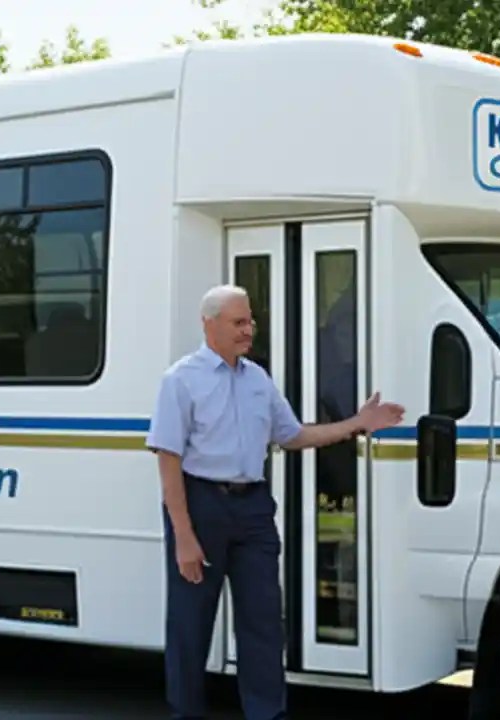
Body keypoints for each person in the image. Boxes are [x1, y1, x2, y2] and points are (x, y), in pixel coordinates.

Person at [146, 284, 404, 720]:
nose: (249, 330)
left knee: (264, 621)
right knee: (191, 624)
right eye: (238, 322)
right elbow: (168, 460)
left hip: (253, 509)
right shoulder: (181, 380)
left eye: (250, 321)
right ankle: (186, 713)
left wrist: (358, 424)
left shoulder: (258, 380)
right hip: (201, 506)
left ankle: (267, 714)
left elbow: (294, 435)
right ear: (209, 325)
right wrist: (184, 536)